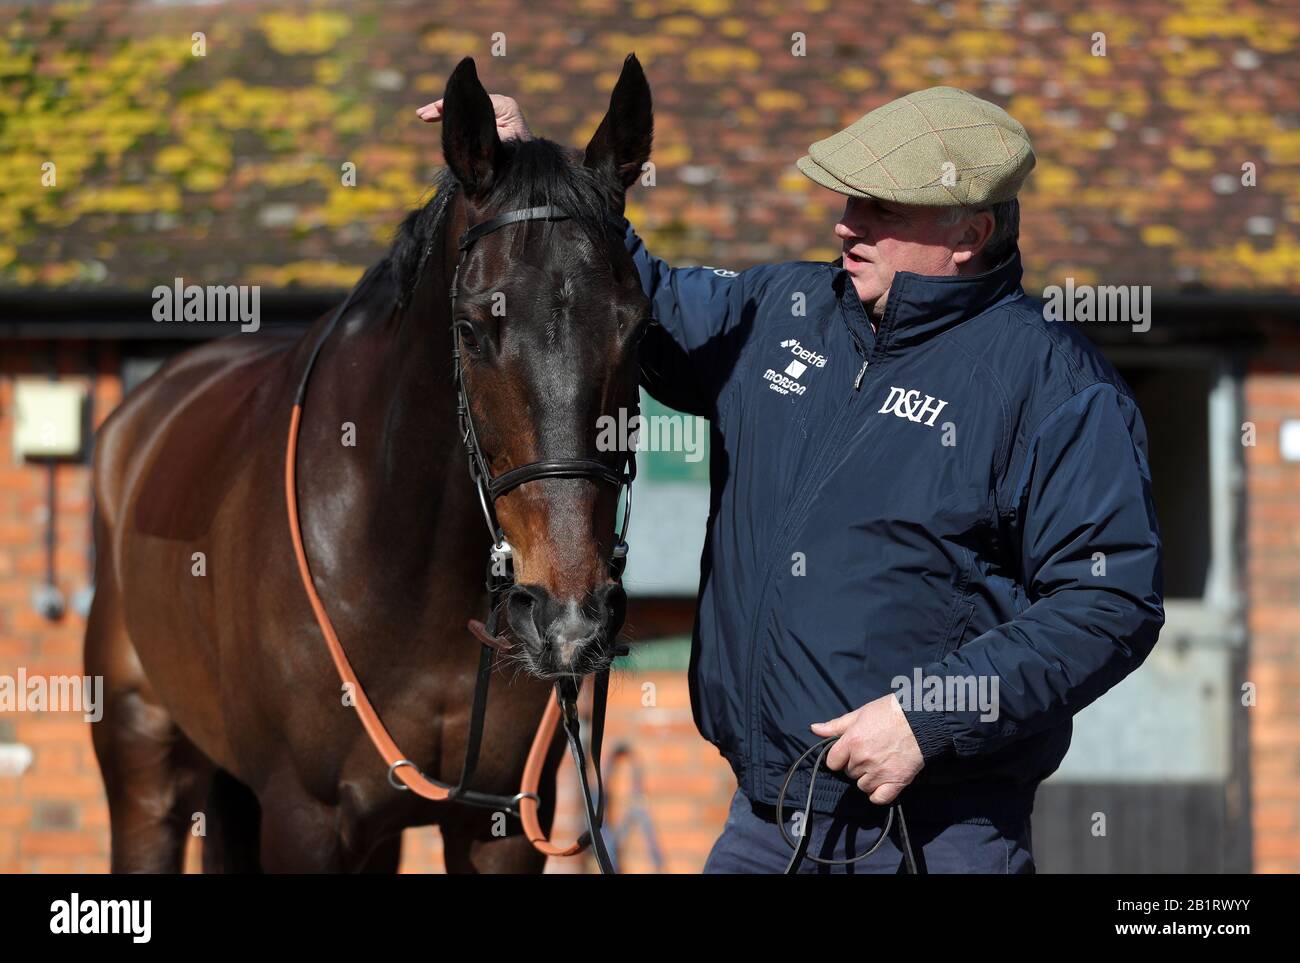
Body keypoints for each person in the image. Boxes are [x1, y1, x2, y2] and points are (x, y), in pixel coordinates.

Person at [420, 85, 1164, 874]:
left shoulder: (1057, 388)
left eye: (882, 209)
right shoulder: (782, 311)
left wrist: (927, 716)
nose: (847, 224)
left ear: (971, 233)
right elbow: (619, 293)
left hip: (932, 840)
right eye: (849, 201)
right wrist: (534, 176)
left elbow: (1110, 600)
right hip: (764, 829)